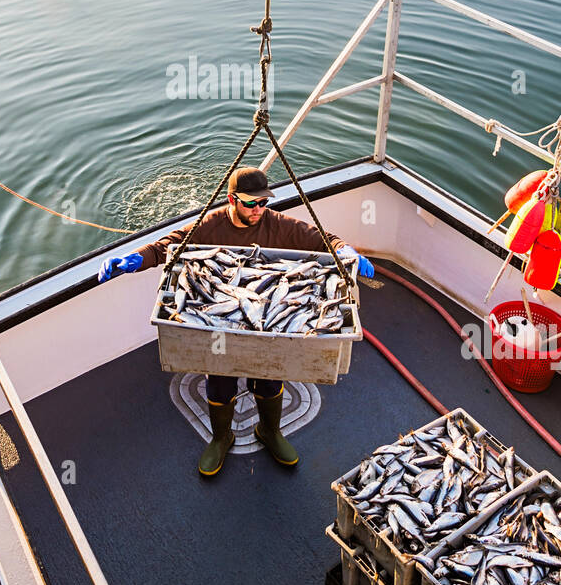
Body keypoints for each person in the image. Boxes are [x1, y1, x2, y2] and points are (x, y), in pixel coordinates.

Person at [98, 166, 374, 477]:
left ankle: (269, 431)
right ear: (232, 199)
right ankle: (221, 438)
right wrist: (134, 260)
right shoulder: (211, 225)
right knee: (219, 381)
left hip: (267, 321)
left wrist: (346, 251)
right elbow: (167, 246)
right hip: (220, 326)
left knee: (270, 377)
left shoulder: (277, 224)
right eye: (250, 203)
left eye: (263, 203)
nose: (258, 210)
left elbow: (322, 239)